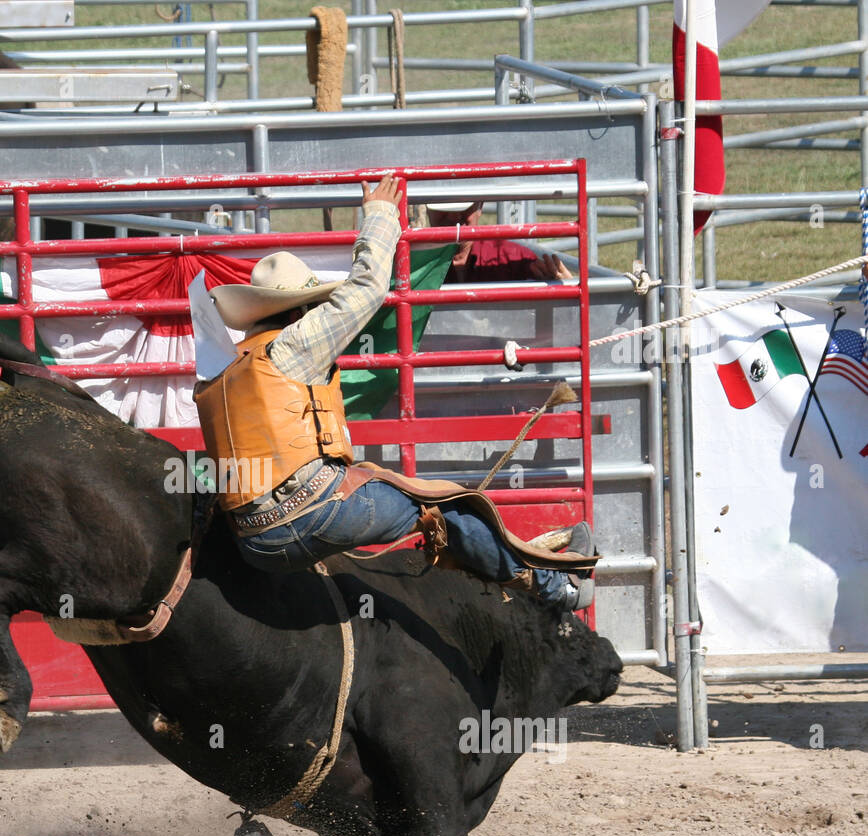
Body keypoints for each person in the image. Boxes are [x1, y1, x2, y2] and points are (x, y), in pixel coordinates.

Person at [194, 176, 598, 611]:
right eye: (311, 305)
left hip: (254, 539)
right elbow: (366, 289)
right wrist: (381, 216)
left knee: (383, 490)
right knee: (451, 508)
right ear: (298, 309)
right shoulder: (294, 343)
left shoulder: (229, 364)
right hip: (309, 514)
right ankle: (557, 588)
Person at [421, 200, 573, 284]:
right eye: (440, 203)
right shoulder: (413, 263)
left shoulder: (514, 258)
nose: (454, 217)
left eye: (463, 207)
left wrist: (561, 287)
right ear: (427, 209)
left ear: (479, 207)